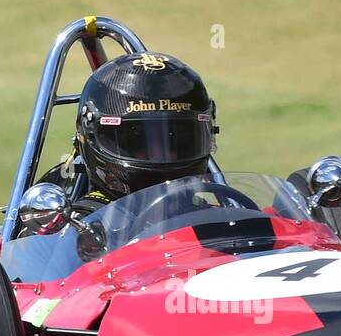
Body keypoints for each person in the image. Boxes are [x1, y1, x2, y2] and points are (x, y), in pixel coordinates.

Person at [38, 51, 218, 218]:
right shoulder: (74, 230)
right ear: (91, 136)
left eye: (177, 140)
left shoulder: (218, 219)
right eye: (137, 141)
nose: (160, 155)